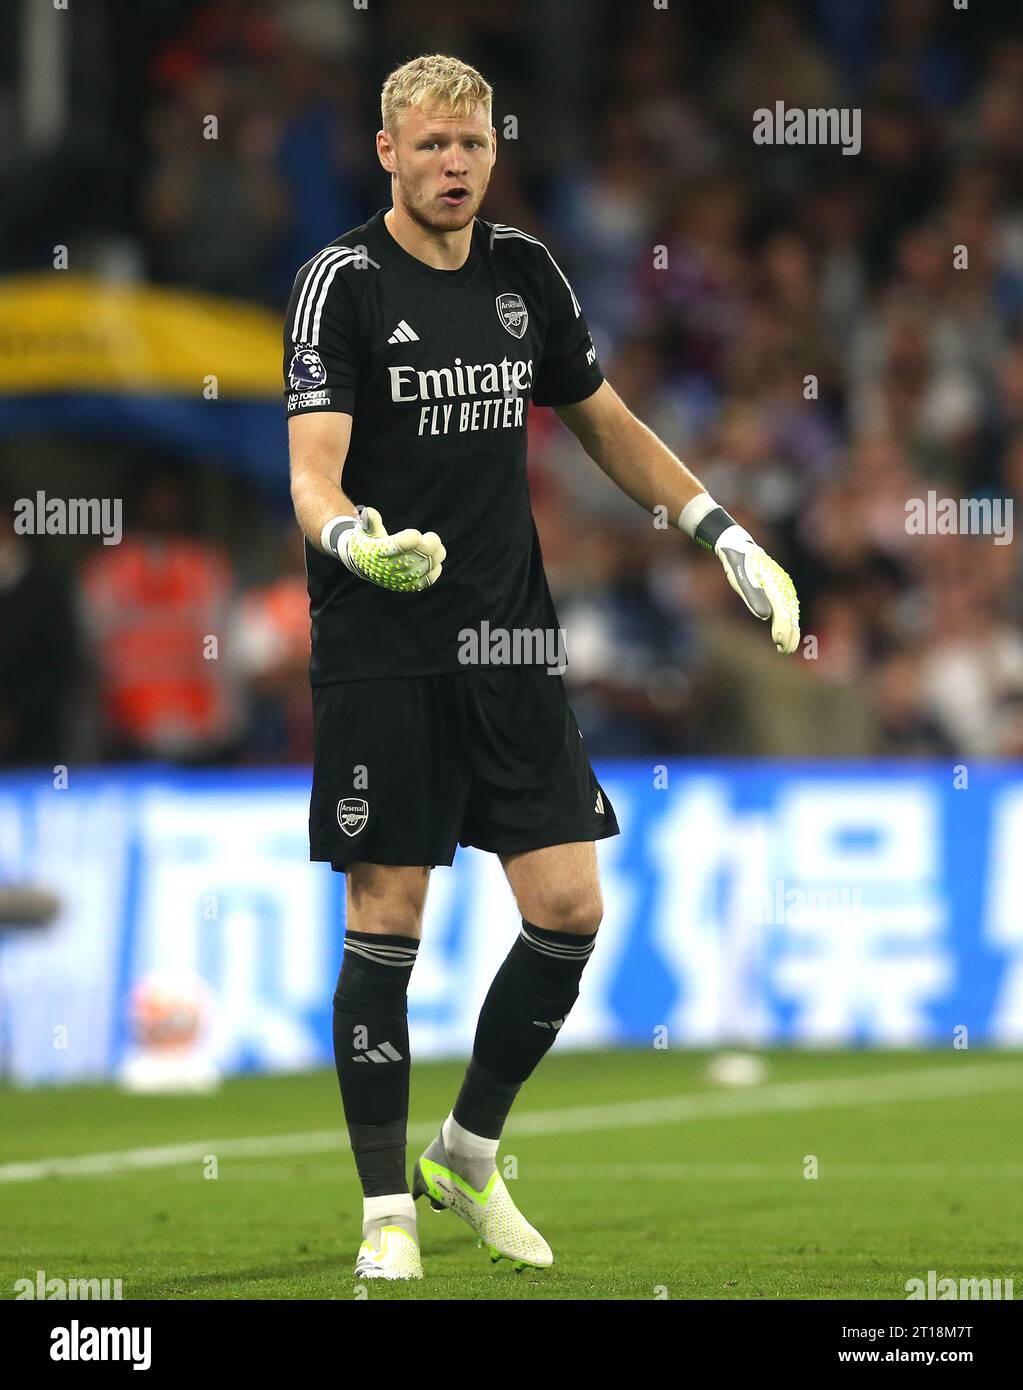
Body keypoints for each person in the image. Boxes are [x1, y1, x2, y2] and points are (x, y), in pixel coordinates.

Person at [284, 53, 800, 1281]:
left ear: (492, 152)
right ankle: (383, 1213)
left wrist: (720, 528)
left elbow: (605, 420)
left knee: (569, 908)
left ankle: (465, 1152)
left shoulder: (525, 276)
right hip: (382, 648)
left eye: (472, 144)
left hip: (508, 641)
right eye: (432, 146)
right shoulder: (342, 285)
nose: (454, 164)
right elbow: (312, 475)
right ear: (389, 154)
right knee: (387, 915)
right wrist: (357, 538)